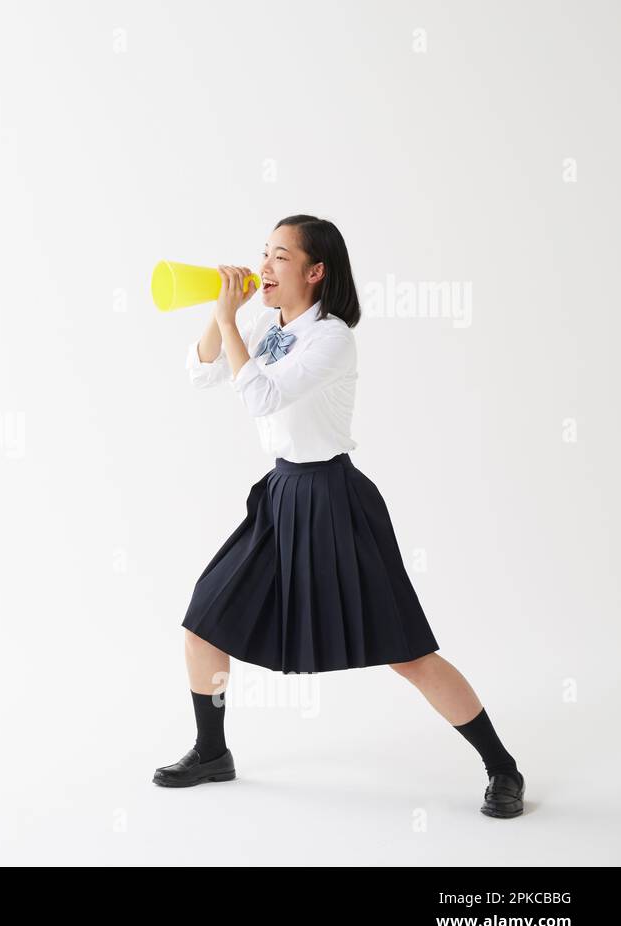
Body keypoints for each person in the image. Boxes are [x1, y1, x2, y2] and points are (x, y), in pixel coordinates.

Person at [152, 214, 525, 819]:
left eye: (278, 256)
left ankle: (503, 768)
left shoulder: (332, 337)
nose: (264, 267)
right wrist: (220, 312)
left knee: (407, 653)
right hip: (280, 494)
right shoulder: (262, 323)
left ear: (314, 271)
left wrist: (229, 319)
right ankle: (212, 752)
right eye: (263, 254)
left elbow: (264, 396)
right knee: (203, 622)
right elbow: (200, 373)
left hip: (333, 497)